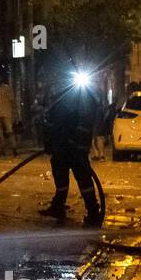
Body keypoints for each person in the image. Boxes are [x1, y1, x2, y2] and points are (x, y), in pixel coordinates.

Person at [39, 74, 103, 227]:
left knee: (83, 178)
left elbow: (84, 123)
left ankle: (93, 211)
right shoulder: (61, 98)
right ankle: (58, 206)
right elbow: (54, 121)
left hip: (75, 147)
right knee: (60, 175)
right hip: (61, 145)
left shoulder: (85, 98)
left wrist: (76, 143)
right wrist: (50, 141)